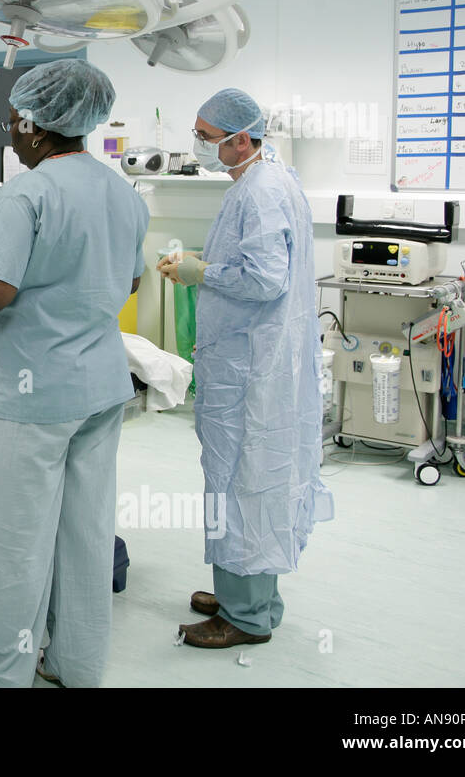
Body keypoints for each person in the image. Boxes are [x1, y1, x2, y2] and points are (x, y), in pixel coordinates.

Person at [0, 59, 149, 688]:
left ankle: (5, 675)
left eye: (11, 123)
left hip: (33, 398)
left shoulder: (27, 194)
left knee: (19, 546)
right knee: (85, 534)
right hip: (98, 388)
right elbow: (129, 279)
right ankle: (78, 666)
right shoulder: (120, 191)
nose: (9, 133)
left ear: (33, 125)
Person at [157, 87, 333, 649]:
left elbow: (264, 280)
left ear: (240, 139)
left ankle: (246, 615)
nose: (199, 147)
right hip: (259, 360)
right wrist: (207, 267)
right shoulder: (269, 179)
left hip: (252, 368)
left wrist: (199, 272)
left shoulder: (261, 191)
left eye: (206, 139)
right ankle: (247, 593)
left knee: (243, 484)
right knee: (250, 482)